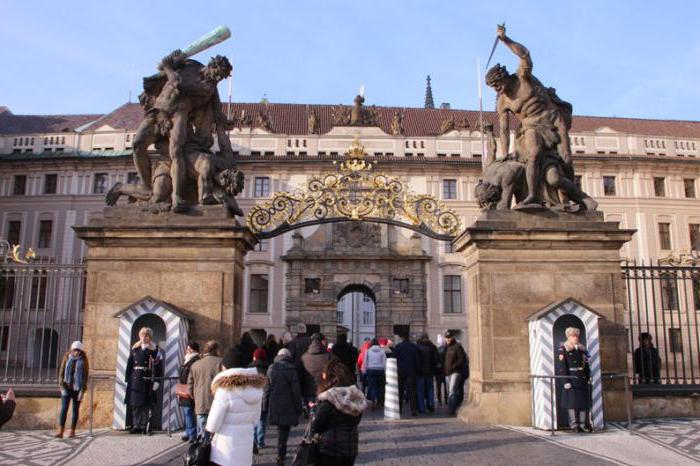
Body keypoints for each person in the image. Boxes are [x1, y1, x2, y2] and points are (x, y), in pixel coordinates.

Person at [310, 359, 367, 466]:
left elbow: (316, 426)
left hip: (330, 449)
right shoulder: (355, 397)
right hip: (351, 449)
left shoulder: (329, 399)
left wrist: (314, 411)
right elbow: (357, 420)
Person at [206, 364, 266, 466]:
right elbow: (256, 420)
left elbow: (213, 425)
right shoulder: (257, 391)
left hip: (225, 446)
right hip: (245, 445)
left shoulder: (224, 391)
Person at [264, 348, 302, 466]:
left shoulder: (271, 368)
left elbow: (267, 389)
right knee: (284, 431)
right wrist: (299, 407)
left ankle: (281, 453)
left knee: (280, 430)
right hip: (288, 403)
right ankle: (281, 454)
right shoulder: (291, 369)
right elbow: (296, 391)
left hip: (274, 402)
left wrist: (264, 405)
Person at [125, 327, 163, 435]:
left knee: (145, 405)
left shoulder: (155, 350)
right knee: (135, 405)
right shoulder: (135, 349)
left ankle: (144, 425)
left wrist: (157, 381)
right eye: (142, 335)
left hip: (147, 380)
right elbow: (129, 365)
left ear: (150, 337)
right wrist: (127, 379)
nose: (144, 337)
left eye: (146, 335)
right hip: (135, 379)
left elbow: (159, 367)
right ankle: (136, 425)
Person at [557, 327, 592, 433]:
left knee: (582, 403)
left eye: (576, 336)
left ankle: (581, 424)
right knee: (571, 403)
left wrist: (588, 376)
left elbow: (586, 365)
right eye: (573, 336)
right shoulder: (564, 349)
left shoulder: (582, 349)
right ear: (569, 337)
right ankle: (574, 425)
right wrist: (566, 381)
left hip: (581, 379)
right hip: (571, 379)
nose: (575, 338)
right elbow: (563, 367)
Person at [188, 340, 222, 437]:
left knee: (203, 430)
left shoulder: (195, 365)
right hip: (216, 400)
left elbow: (190, 385)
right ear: (216, 350)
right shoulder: (220, 362)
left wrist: (193, 396)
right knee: (216, 431)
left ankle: (204, 446)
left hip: (200, 402)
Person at [55, 340, 89, 438]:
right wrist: (62, 387)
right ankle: (60, 430)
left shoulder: (83, 360)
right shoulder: (66, 358)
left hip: (77, 388)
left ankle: (72, 431)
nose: (76, 352)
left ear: (81, 351)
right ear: (72, 349)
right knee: (64, 408)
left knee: (75, 409)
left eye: (78, 350)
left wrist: (82, 390)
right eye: (75, 350)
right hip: (66, 387)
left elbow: (85, 376)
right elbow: (61, 374)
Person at [393, 332, 422, 416]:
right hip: (411, 371)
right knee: (412, 391)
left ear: (402, 339)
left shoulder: (398, 347)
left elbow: (393, 358)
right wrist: (418, 371)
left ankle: (399, 409)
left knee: (400, 391)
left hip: (400, 371)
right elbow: (418, 360)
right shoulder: (414, 347)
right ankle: (414, 409)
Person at [178, 340, 200, 442]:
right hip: (184, 387)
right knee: (187, 412)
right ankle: (188, 432)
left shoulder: (195, 359)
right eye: (187, 348)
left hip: (190, 388)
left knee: (189, 411)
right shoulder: (188, 359)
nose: (187, 350)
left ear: (193, 349)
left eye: (189, 348)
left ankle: (192, 434)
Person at [301, 333, 331, 407]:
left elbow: (301, 375)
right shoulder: (329, 356)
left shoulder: (304, 357)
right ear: (322, 341)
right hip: (323, 391)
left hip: (307, 391)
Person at [444, 330, 468, 416]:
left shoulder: (457, 347)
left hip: (455, 372)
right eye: (447, 338)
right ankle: (453, 405)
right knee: (450, 391)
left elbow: (462, 359)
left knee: (452, 390)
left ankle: (452, 409)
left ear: (452, 338)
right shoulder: (446, 347)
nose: (448, 339)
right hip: (447, 373)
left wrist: (454, 366)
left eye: (449, 337)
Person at [249, 347, 269, 451]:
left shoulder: (249, 369)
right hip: (263, 397)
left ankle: (254, 441)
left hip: (252, 398)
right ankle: (260, 441)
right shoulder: (268, 368)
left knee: (253, 421)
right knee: (262, 420)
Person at [416, 334, 438, 414]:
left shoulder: (418, 347)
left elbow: (416, 361)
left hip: (420, 372)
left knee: (420, 390)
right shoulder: (433, 347)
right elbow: (436, 360)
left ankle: (422, 408)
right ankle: (431, 405)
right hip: (430, 372)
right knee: (430, 389)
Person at [364, 338, 386, 410]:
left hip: (371, 370)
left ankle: (373, 402)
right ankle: (379, 403)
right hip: (380, 370)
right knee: (380, 387)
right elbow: (384, 362)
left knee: (373, 387)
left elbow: (365, 362)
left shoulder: (368, 351)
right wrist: (384, 371)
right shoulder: (382, 351)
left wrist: (365, 370)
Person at [435, 334, 448, 406]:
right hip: (445, 370)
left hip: (438, 371)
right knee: (446, 386)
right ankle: (446, 400)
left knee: (438, 387)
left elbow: (434, 360)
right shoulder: (446, 349)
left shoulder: (437, 350)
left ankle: (439, 400)